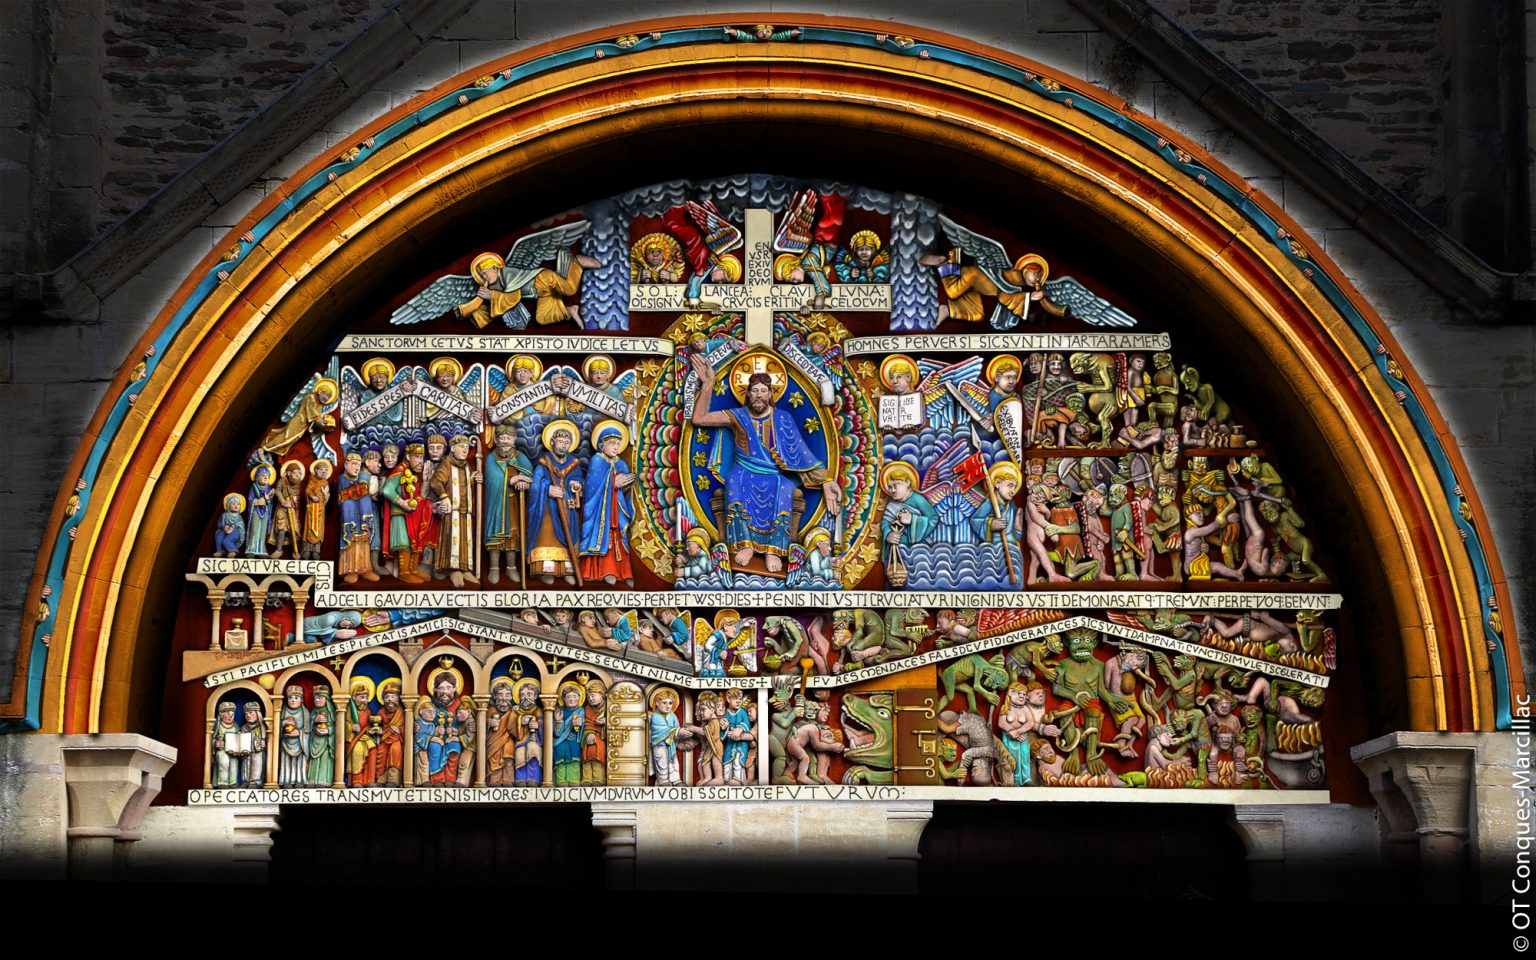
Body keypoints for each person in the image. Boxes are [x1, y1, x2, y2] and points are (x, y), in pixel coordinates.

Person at [689, 354, 842, 574]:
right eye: (755, 391)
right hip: (744, 470)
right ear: (747, 394)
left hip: (772, 474)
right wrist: (708, 384)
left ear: (771, 394)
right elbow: (699, 419)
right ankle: (746, 545)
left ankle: (774, 549)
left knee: (785, 487)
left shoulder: (783, 418)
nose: (759, 395)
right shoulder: (738, 416)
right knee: (733, 480)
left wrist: (826, 480)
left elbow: (801, 454)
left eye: (763, 391)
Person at [578, 420, 636, 585]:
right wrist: (613, 484)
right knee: (602, 538)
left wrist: (626, 486)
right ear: (601, 444)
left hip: (617, 510)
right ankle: (605, 571)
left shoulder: (621, 463)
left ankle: (623, 572)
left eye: (618, 444)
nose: (616, 447)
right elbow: (591, 488)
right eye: (611, 443)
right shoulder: (597, 460)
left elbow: (625, 492)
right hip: (600, 512)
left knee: (618, 537)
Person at [527, 420, 585, 583]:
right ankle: (546, 569)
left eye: (567, 442)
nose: (563, 445)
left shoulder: (574, 463)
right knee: (548, 531)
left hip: (568, 506)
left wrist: (577, 485)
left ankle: (568, 570)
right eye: (560, 442)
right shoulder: (544, 463)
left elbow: (580, 480)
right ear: (552, 442)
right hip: (548, 508)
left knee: (571, 535)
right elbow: (535, 485)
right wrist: (547, 489)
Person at [428, 434, 480, 587]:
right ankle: (453, 569)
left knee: (465, 541)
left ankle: (464, 569)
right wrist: (444, 497)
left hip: (465, 510)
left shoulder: (465, 465)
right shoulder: (446, 463)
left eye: (467, 448)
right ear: (452, 448)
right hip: (452, 510)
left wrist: (472, 479)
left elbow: (462, 484)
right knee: (453, 540)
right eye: (461, 447)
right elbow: (436, 482)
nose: (465, 450)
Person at [484, 424, 533, 584]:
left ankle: (511, 567)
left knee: (512, 535)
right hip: (496, 504)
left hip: (513, 504)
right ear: (496, 440)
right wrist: (512, 479)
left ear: (514, 440)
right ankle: (494, 568)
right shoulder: (492, 457)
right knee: (496, 534)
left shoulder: (520, 456)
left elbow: (529, 474)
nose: (505, 441)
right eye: (502, 438)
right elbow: (492, 478)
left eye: (508, 438)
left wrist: (523, 481)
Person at [336, 453, 379, 583]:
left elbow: (364, 495)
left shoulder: (359, 479)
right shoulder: (342, 479)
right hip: (350, 519)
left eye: (359, 465)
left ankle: (365, 569)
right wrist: (357, 493)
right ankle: (351, 570)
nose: (356, 468)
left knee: (364, 542)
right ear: (346, 465)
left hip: (362, 517)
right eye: (354, 464)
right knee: (351, 543)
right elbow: (342, 499)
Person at [552, 682, 586, 785]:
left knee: (574, 760)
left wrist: (581, 723)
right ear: (563, 699)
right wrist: (558, 721)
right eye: (568, 697)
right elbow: (556, 733)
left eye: (574, 696)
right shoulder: (559, 710)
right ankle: (561, 780)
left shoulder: (580, 710)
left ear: (579, 698)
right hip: (560, 741)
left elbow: (583, 723)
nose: (571, 699)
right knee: (560, 760)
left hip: (573, 740)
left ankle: (574, 780)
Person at [276, 684, 309, 786]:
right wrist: (282, 724)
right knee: (287, 763)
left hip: (300, 743)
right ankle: (287, 781)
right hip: (286, 742)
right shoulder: (282, 712)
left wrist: (300, 733)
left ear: (301, 700)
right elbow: (276, 727)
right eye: (290, 698)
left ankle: (299, 781)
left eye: (296, 698)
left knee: (299, 763)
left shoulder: (305, 713)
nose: (293, 700)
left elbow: (308, 730)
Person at [648, 687, 683, 785]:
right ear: (657, 703)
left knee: (674, 762)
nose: (668, 706)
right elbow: (662, 729)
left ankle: (676, 780)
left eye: (670, 703)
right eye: (664, 703)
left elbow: (676, 726)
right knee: (662, 763)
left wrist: (680, 734)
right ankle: (662, 781)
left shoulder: (672, 715)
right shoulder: (655, 716)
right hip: (659, 744)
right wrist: (677, 732)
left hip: (671, 744)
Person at [721, 687, 755, 785]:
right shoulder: (725, 714)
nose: (738, 701)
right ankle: (726, 780)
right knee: (727, 762)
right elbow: (722, 732)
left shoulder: (742, 712)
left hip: (741, 745)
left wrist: (739, 729)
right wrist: (725, 728)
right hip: (729, 744)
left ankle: (738, 780)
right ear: (728, 699)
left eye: (740, 699)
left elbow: (746, 723)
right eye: (736, 698)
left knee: (737, 761)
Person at [245, 464, 276, 557]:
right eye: (263, 476)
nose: (266, 478)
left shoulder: (269, 489)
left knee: (263, 531)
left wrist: (268, 499)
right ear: (257, 477)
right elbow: (250, 499)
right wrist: (256, 501)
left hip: (265, 512)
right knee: (254, 529)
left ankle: (261, 549)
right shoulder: (254, 487)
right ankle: (252, 549)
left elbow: (270, 502)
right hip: (256, 511)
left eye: (267, 476)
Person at [306, 685, 335, 786]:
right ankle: (312, 779)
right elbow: (307, 727)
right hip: (315, 740)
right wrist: (314, 720)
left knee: (325, 760)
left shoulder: (332, 712)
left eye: (319, 698)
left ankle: (324, 780)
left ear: (326, 699)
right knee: (314, 759)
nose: (316, 700)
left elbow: (338, 727)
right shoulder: (313, 712)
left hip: (327, 741)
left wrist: (329, 730)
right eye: (315, 698)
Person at [210, 700, 241, 788]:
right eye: (227, 714)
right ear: (221, 714)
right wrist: (215, 743)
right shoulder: (218, 726)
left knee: (234, 764)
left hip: (233, 751)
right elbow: (211, 739)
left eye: (232, 714)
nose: (230, 716)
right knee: (224, 762)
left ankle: (233, 782)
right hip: (222, 751)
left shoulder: (236, 726)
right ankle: (222, 782)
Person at [582, 680, 607, 786]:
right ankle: (587, 778)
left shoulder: (609, 706)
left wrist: (607, 721)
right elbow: (587, 724)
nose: (590, 699)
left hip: (603, 736)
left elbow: (618, 719)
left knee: (598, 749)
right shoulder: (587, 709)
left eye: (593, 695)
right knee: (587, 752)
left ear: (601, 694)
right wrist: (589, 733)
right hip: (588, 735)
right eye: (588, 697)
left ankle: (598, 778)